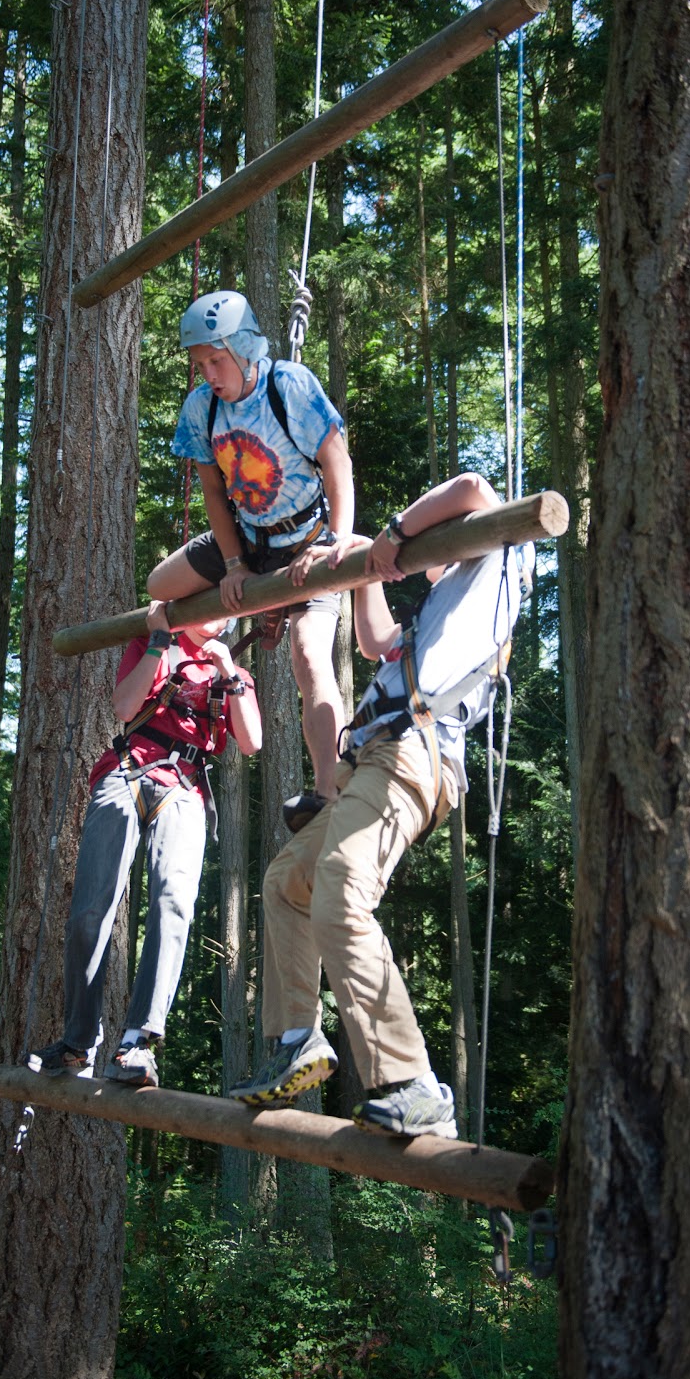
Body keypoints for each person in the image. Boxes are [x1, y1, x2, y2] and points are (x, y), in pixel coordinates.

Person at [227, 473, 521, 1139]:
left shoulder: (495, 562)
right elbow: (373, 641)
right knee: (287, 883)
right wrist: (367, 566)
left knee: (339, 895)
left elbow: (473, 487)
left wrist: (390, 535)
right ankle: (296, 1036)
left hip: (412, 755)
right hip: (373, 763)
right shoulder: (444, 603)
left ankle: (409, 1080)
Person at [28, 598, 262, 1086]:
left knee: (174, 903)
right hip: (128, 770)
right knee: (91, 911)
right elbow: (124, 706)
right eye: (205, 601)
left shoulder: (232, 671)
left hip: (186, 786)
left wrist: (227, 671)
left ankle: (136, 1041)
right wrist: (158, 640)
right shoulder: (153, 644)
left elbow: (251, 741)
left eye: (224, 608)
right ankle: (78, 1041)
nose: (214, 613)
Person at [146, 290, 353, 833]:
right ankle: (199, 668)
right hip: (246, 538)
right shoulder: (202, 408)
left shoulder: (290, 386)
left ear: (244, 348)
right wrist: (235, 565)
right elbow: (214, 493)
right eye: (200, 363)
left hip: (308, 537)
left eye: (217, 360)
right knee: (160, 587)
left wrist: (336, 542)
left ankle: (333, 796)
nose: (209, 372)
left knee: (310, 658)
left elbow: (339, 465)